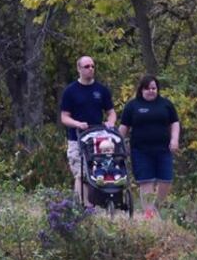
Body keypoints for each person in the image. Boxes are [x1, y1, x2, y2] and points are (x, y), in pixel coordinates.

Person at [121, 74, 181, 220]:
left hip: (163, 150)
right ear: (141, 90)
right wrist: (117, 144)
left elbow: (175, 123)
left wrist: (174, 139)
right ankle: (149, 214)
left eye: (154, 88)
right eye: (147, 88)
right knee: (146, 181)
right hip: (140, 151)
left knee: (166, 180)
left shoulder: (166, 104)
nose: (151, 91)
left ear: (158, 89)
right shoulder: (132, 106)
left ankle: (156, 208)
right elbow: (124, 128)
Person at [58, 55, 116, 204]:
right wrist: (77, 123)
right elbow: (64, 117)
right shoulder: (70, 91)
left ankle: (99, 203)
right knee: (80, 174)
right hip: (76, 138)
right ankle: (84, 206)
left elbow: (111, 112)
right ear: (79, 69)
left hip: (98, 139)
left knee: (98, 172)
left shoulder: (101, 90)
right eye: (87, 67)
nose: (90, 69)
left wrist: (110, 123)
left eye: (92, 66)